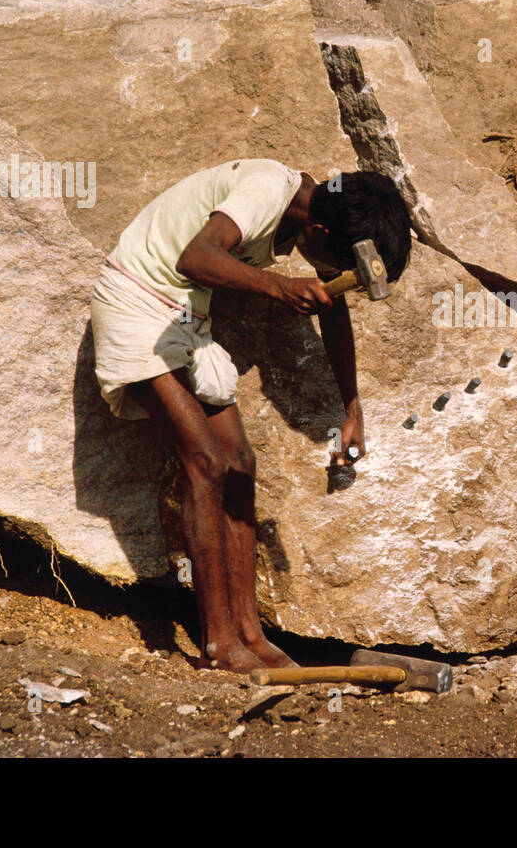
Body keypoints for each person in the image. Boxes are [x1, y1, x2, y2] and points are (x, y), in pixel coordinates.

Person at [89, 159, 411, 672]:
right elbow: (196, 258)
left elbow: (332, 308)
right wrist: (278, 286)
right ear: (319, 230)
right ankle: (218, 643)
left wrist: (352, 409)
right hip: (136, 306)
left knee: (239, 464)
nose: (332, 277)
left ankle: (250, 634)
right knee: (206, 463)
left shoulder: (317, 213)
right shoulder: (265, 190)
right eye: (337, 265)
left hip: (186, 323)